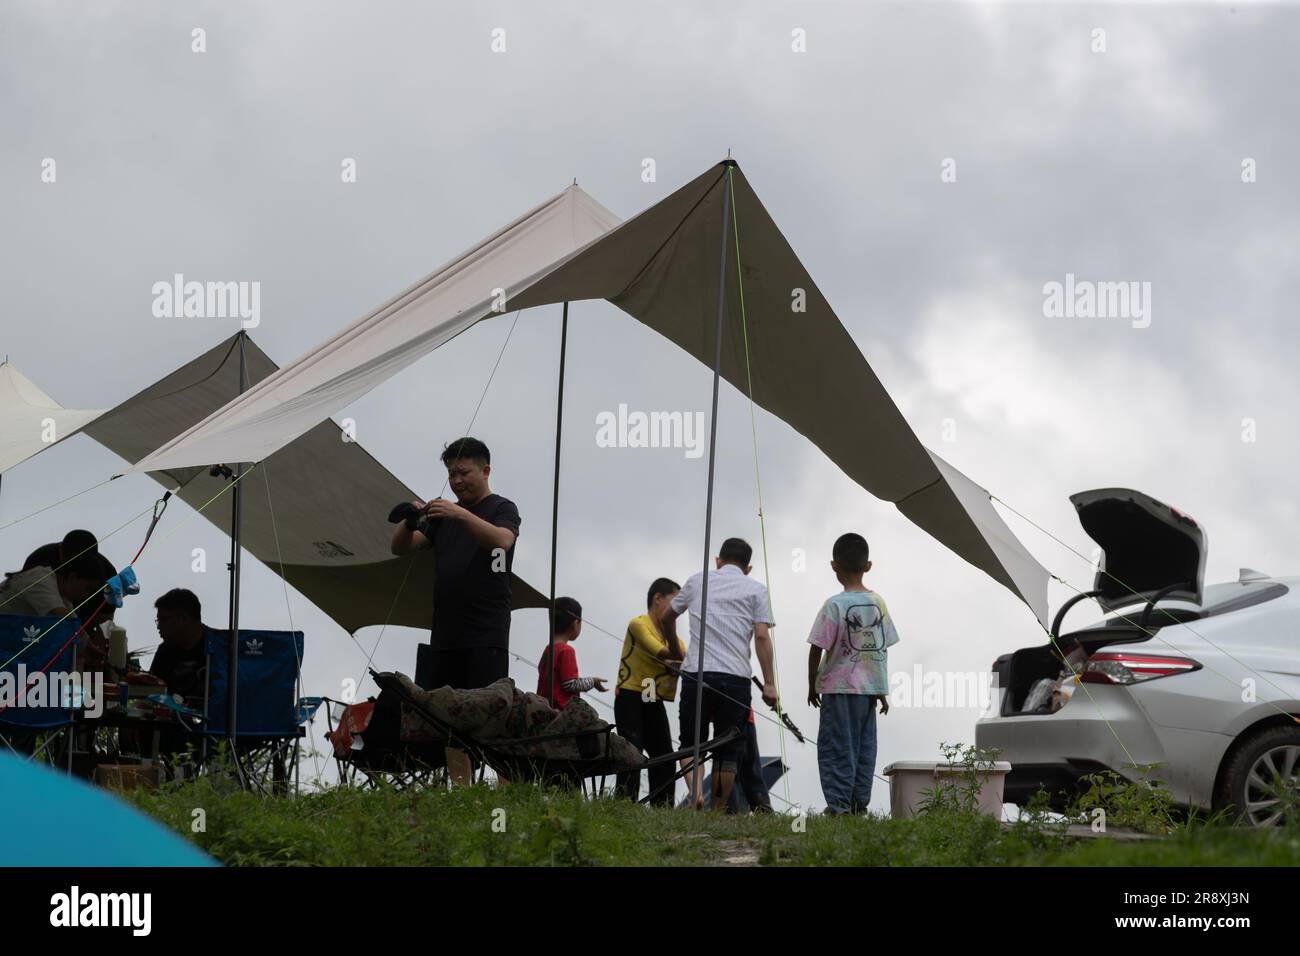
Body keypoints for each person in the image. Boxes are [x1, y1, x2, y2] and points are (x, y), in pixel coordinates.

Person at [390, 436, 521, 784]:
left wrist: (458, 513)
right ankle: (462, 790)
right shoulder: (442, 518)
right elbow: (400, 548)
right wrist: (410, 519)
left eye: (463, 472)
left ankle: (505, 788)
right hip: (446, 630)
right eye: (451, 474)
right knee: (448, 713)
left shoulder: (502, 508)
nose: (457, 480)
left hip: (487, 629)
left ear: (485, 470)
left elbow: (502, 541)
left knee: (493, 709)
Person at [662, 537, 777, 812]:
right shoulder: (756, 590)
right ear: (748, 568)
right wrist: (770, 683)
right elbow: (761, 636)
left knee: (691, 742)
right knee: (728, 750)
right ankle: (716, 811)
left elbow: (667, 616)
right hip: (735, 678)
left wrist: (675, 647)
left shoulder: (697, 581)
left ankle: (695, 794)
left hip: (696, 674)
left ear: (717, 560)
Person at [807, 532, 899, 815]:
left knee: (837, 747)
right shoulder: (878, 603)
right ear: (868, 565)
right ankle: (859, 805)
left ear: (834, 565)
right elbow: (880, 650)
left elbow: (816, 647)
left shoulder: (834, 604)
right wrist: (881, 690)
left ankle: (838, 806)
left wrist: (812, 685)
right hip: (868, 692)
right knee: (863, 748)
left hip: (837, 689)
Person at [613, 578, 685, 805]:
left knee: (664, 755)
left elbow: (686, 658)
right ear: (658, 598)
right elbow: (661, 652)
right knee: (632, 751)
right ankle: (625, 804)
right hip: (630, 694)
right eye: (675, 602)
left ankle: (662, 807)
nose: (678, 610)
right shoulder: (638, 624)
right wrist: (676, 652)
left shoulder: (670, 634)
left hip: (652, 696)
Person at [0, 530, 104, 619]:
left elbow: (73, 624)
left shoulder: (63, 588)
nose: (86, 596)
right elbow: (66, 621)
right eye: (87, 588)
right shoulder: (41, 579)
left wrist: (88, 641)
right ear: (72, 577)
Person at [536, 596, 606, 709]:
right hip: (560, 712)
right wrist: (593, 682)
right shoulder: (566, 651)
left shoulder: (548, 649)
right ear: (575, 624)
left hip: (543, 708)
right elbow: (570, 684)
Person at [149, 588, 208, 703]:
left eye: (163, 620)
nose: (158, 627)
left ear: (183, 619)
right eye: (157, 621)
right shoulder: (165, 651)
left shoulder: (218, 649)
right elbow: (153, 693)